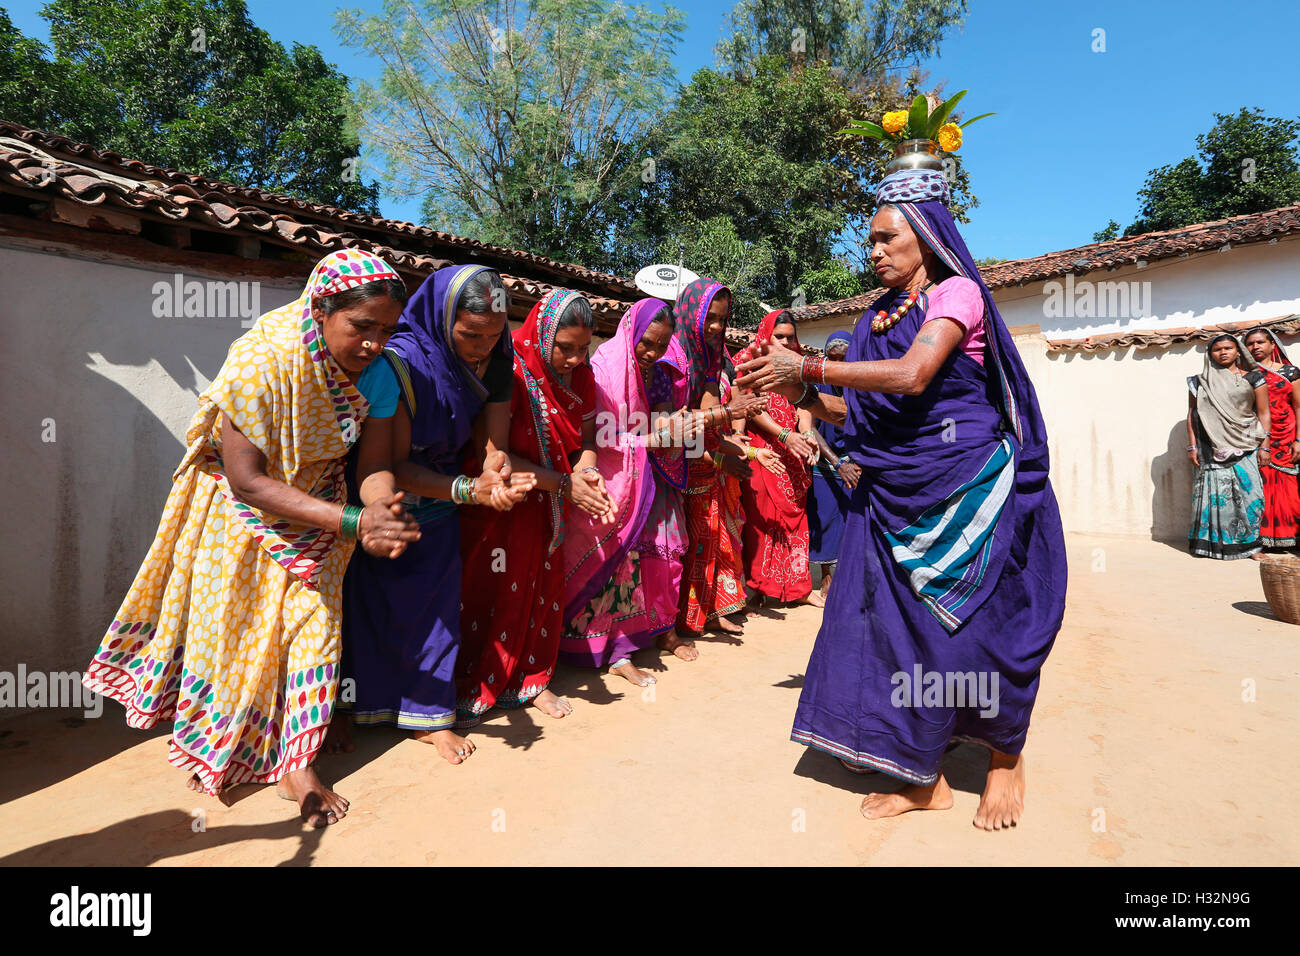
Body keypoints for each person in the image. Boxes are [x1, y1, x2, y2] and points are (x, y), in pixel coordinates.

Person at [738, 167, 1068, 831]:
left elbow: (914, 376)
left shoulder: (959, 295)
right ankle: (927, 777)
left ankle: (1006, 756)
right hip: (890, 495)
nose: (876, 251)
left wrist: (805, 366)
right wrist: (796, 391)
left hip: (965, 489)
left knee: (977, 632)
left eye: (888, 238)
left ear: (927, 235)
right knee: (894, 637)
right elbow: (852, 412)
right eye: (871, 241)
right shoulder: (870, 320)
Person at [83, 250, 421, 827]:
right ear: (320, 310)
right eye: (362, 327)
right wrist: (351, 522)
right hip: (242, 519)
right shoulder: (262, 362)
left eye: (387, 330)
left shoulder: (380, 373)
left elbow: (372, 464)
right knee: (238, 639)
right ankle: (226, 740)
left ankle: (298, 766)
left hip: (321, 512)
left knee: (314, 639)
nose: (374, 344)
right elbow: (247, 480)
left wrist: (379, 510)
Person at [343, 264, 534, 765]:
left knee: (437, 615)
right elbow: (390, 464)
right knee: (378, 610)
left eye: (494, 335)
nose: (482, 346)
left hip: (449, 502)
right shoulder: (400, 365)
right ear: (440, 317)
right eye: (470, 334)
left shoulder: (496, 356)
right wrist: (469, 488)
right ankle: (370, 709)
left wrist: (495, 465)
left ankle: (429, 717)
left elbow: (492, 436)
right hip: (393, 500)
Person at [457, 288, 617, 724]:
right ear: (544, 335)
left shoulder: (583, 378)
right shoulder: (510, 371)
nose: (575, 360)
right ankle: (486, 679)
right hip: (504, 504)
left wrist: (586, 472)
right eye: (565, 348)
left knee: (542, 588)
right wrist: (565, 484)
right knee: (494, 589)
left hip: (551, 501)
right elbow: (499, 454)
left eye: (584, 349)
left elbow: (586, 443)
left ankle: (532, 679)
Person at [561, 298, 701, 686]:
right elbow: (599, 436)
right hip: (599, 483)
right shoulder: (605, 366)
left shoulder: (640, 371)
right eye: (648, 343)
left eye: (661, 345)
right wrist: (657, 438)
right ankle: (579, 649)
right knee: (598, 566)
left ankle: (618, 653)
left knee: (623, 570)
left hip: (630, 483)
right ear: (632, 331)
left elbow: (634, 431)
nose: (653, 353)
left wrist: (661, 434)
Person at [669, 279, 767, 648]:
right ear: (692, 314)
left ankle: (705, 614)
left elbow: (712, 419)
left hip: (709, 463)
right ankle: (677, 624)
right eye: (710, 318)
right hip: (679, 468)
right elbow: (677, 425)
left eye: (722, 320)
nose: (716, 327)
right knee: (686, 546)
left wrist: (735, 450)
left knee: (712, 542)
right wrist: (723, 453)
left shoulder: (711, 359)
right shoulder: (675, 357)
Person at [735, 310, 818, 607]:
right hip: (764, 448)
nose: (784, 341)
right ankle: (758, 588)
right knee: (763, 516)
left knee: (796, 516)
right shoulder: (750, 359)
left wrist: (806, 433)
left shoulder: (797, 363)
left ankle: (798, 590)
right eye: (778, 336)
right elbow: (748, 406)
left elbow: (807, 400)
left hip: (794, 451)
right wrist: (784, 435)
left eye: (789, 337)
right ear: (766, 334)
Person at [1186, 333, 1269, 560]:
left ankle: (1251, 547)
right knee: (1215, 498)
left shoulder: (1254, 378)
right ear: (1210, 354)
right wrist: (1192, 446)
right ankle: (1213, 545)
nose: (1223, 352)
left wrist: (1265, 446)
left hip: (1247, 443)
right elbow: (1193, 414)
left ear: (1238, 351)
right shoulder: (1199, 381)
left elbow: (1263, 413)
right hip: (1210, 446)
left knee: (1250, 495)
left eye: (1229, 348)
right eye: (1217, 349)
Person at [805, 332, 860, 600]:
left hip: (854, 462)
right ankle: (827, 577)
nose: (837, 365)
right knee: (825, 520)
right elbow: (810, 429)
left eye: (843, 360)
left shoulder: (858, 385)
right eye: (833, 360)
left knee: (852, 521)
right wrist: (837, 462)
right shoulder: (816, 385)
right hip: (826, 461)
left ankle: (849, 579)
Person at [1242, 327, 1299, 550]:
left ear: (1272, 345)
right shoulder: (1243, 375)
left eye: (1260, 342)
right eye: (1250, 344)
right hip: (1255, 438)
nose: (1255, 347)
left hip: (1286, 438)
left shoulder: (1290, 373)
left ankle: (1290, 538)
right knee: (1259, 488)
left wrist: (1298, 441)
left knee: (1289, 490)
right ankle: (1260, 539)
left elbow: (1299, 406)